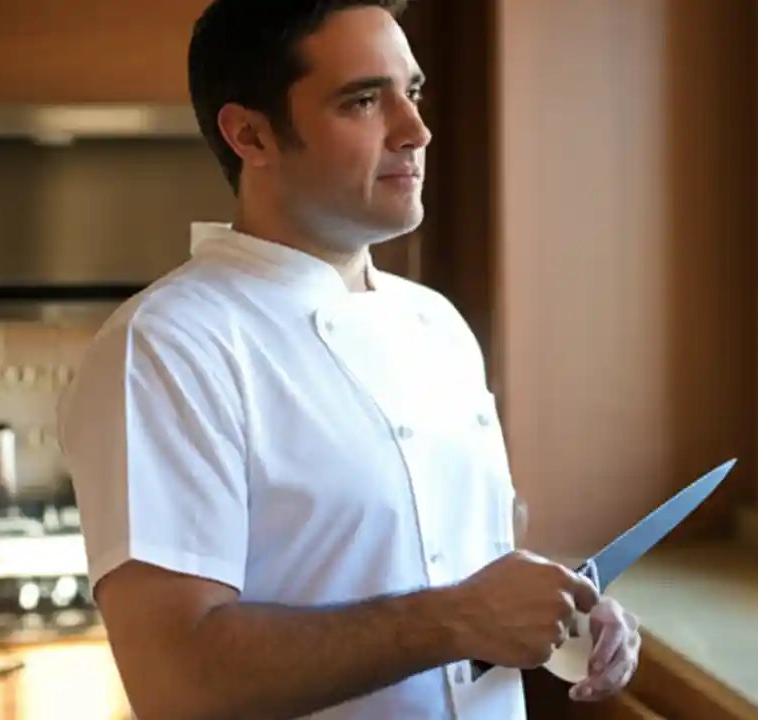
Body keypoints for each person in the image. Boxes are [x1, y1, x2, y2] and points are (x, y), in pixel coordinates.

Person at [55, 1, 642, 718]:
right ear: (250, 133)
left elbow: (448, 570)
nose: (416, 131)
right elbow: (179, 681)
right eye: (364, 101)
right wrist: (455, 619)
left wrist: (565, 619)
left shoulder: (437, 325)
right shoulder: (169, 346)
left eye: (413, 92)